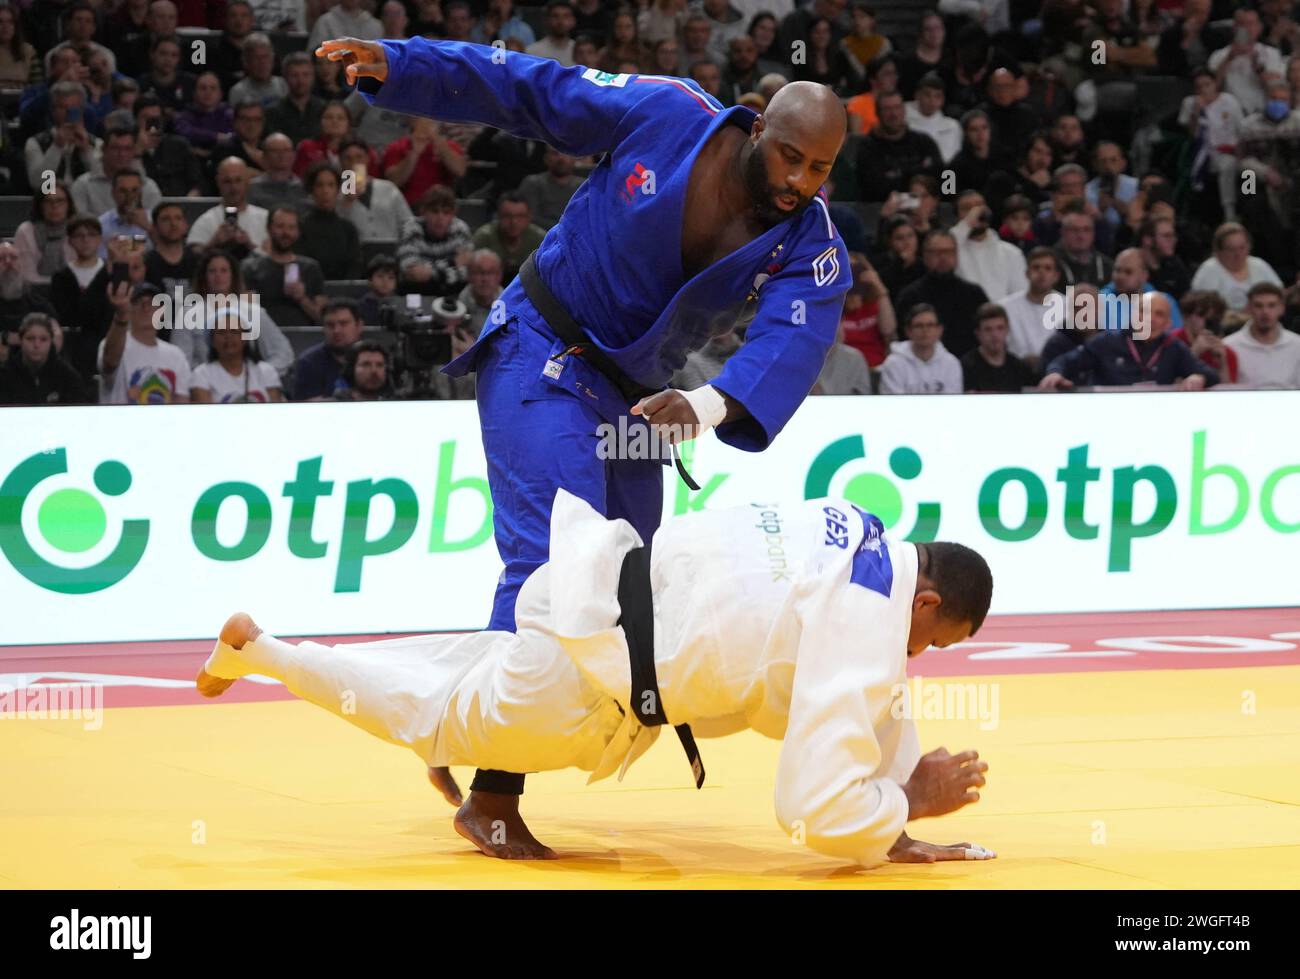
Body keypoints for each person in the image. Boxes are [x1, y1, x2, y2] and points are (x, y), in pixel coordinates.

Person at [319, 33, 852, 853]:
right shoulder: (666, 113)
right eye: (789, 156)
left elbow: (793, 338)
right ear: (758, 128)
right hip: (543, 346)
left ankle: (465, 715)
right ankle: (493, 792)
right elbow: (533, 87)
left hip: (636, 403)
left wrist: (703, 406)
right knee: (553, 567)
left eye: (818, 168)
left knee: (629, 590)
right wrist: (407, 63)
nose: (798, 181)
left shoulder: (810, 243)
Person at [197, 488, 995, 868]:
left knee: (457, 672)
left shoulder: (848, 522)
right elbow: (811, 807)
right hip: (587, 686)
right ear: (925, 600)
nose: (920, 655)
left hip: (594, 589)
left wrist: (894, 784)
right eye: (935, 639)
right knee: (430, 711)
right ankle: (263, 651)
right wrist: (906, 803)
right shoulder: (866, 620)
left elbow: (843, 686)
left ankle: (276, 658)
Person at [1039, 293, 1217, 390]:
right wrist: (1055, 373)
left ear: (1168, 324)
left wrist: (1198, 376)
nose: (1150, 319)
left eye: (1159, 314)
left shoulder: (1173, 347)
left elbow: (1211, 375)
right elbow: (1063, 362)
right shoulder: (1107, 342)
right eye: (1144, 311)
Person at [97, 280, 192, 404]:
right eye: (138, 302)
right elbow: (109, 362)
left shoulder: (176, 355)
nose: (146, 308)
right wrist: (121, 316)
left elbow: (182, 404)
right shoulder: (114, 344)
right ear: (129, 308)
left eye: (152, 303)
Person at [190, 308, 284, 402]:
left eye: (234, 331)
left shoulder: (266, 371)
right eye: (221, 332)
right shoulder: (201, 374)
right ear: (212, 340)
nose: (228, 337)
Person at [1224, 281, 1300, 387]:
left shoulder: (1297, 345)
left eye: (1272, 305)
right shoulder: (1229, 346)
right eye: (1258, 306)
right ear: (1249, 308)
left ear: (1282, 308)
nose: (1265, 311)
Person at [0, 313, 88, 405]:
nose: (36, 345)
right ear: (21, 340)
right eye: (30, 338)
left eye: (43, 339)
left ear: (51, 341)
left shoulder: (68, 378)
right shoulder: (4, 376)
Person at [878, 303, 962, 394]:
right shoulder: (893, 363)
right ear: (908, 331)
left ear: (940, 330)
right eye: (918, 326)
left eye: (930, 325)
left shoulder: (951, 363)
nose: (925, 330)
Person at [961, 303, 1037, 393]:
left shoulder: (1019, 368)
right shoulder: (965, 367)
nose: (995, 335)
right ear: (978, 333)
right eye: (988, 329)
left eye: (1000, 328)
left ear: (1007, 330)